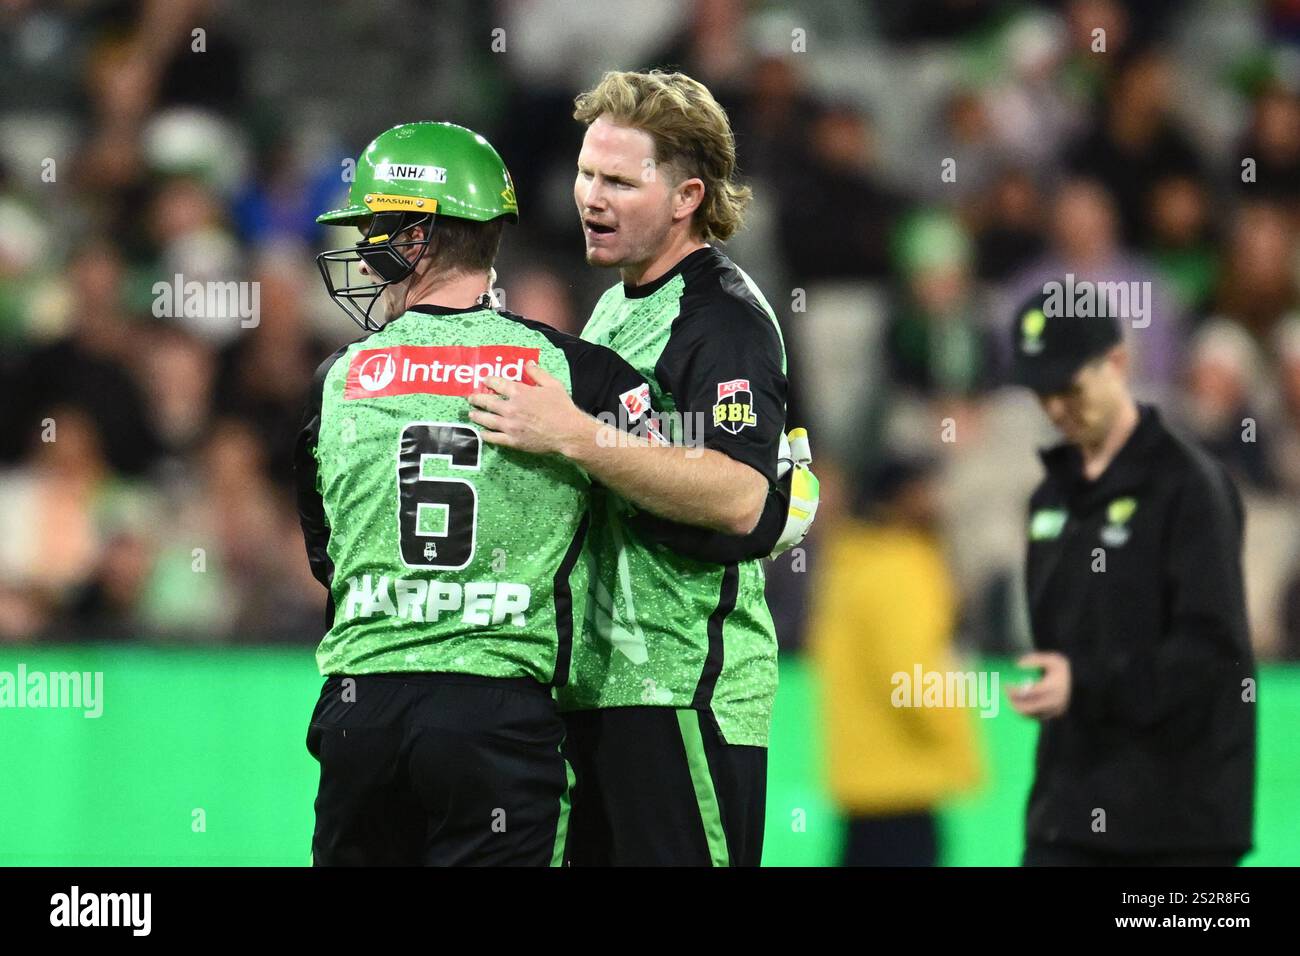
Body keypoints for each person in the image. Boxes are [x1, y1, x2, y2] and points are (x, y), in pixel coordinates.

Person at [469, 69, 816, 865]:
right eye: (588, 173)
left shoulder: (722, 317)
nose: (591, 195)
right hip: (602, 681)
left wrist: (575, 437)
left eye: (621, 181)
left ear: (687, 195)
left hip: (682, 684)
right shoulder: (618, 303)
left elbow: (740, 495)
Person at [295, 121, 662, 866]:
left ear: (415, 239)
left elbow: (326, 555)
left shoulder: (337, 378)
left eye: (373, 231)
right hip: (496, 713)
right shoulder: (578, 372)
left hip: (362, 707)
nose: (363, 252)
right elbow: (665, 502)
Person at [1005, 285, 1256, 866]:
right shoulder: (1051, 497)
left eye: (1069, 387)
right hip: (1069, 818)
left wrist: (1085, 684)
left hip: (1176, 829)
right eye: (1042, 392)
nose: (1055, 408)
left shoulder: (1190, 488)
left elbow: (1214, 653)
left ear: (1118, 362)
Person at [808, 456, 981, 867]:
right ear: (903, 498)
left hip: (865, 778)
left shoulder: (851, 562)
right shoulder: (902, 567)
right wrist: (948, 725)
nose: (940, 502)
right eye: (928, 490)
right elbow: (911, 672)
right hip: (904, 779)